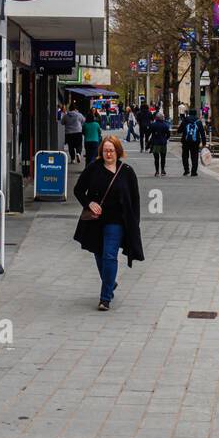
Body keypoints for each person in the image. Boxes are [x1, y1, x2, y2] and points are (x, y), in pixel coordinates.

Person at [73, 135, 143, 310]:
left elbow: (135, 200)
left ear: (118, 151)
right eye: (105, 150)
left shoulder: (127, 171)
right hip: (96, 220)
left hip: (117, 221)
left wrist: (135, 222)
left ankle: (105, 298)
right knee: (98, 254)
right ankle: (110, 282)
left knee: (109, 255)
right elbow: (78, 190)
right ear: (101, 151)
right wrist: (89, 203)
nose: (108, 154)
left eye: (111, 150)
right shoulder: (93, 168)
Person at [181, 108, 207, 176]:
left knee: (185, 156)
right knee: (194, 156)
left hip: (185, 141)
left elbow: (179, 130)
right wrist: (204, 143)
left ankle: (186, 170)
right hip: (195, 142)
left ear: (189, 113)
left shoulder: (185, 120)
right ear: (195, 114)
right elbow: (202, 133)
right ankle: (194, 172)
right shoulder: (198, 121)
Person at [148, 111, 171, 176]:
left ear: (156, 118)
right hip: (163, 143)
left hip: (155, 143)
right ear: (162, 118)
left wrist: (148, 140)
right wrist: (165, 139)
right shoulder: (165, 125)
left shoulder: (153, 125)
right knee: (163, 157)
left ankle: (157, 171)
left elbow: (148, 133)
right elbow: (168, 134)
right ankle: (163, 170)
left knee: (156, 158)